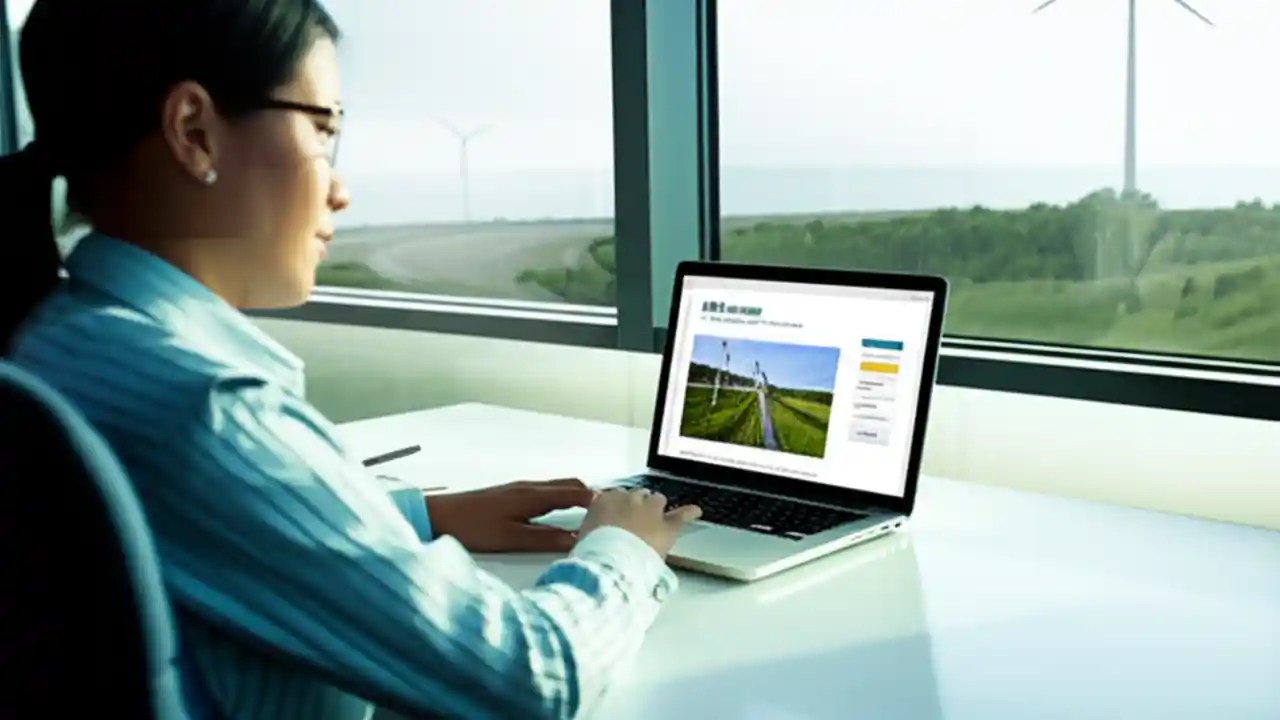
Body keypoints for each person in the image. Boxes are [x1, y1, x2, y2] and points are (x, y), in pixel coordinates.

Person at [0, 1, 702, 718]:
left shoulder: (63, 344)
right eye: (323, 131)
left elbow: (193, 530)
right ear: (195, 132)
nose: (341, 188)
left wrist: (420, 514)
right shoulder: (205, 408)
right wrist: (622, 549)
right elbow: (531, 679)